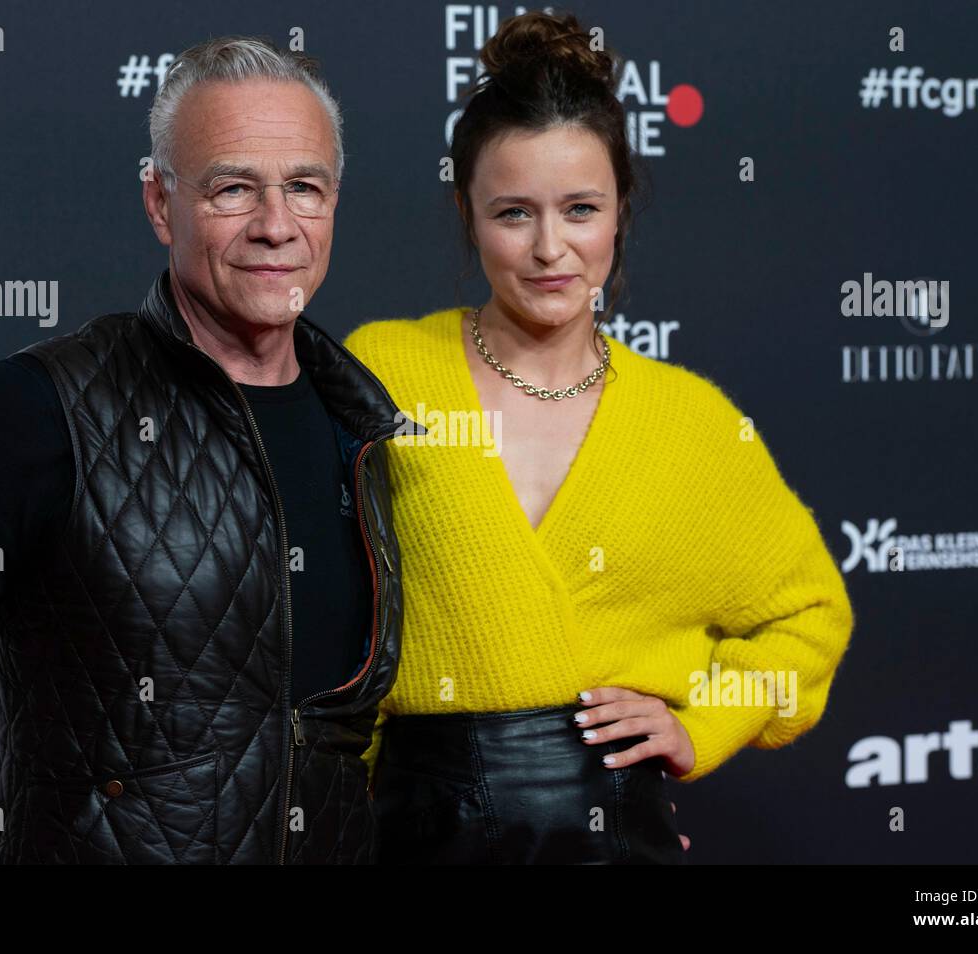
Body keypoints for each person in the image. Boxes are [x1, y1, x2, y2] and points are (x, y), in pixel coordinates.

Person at [0, 36, 407, 864]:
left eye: (304, 187)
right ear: (160, 202)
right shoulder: (44, 407)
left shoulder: (362, 420)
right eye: (234, 189)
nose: (277, 226)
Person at [344, 10, 854, 864]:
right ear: (467, 215)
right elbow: (324, 626)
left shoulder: (690, 418)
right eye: (513, 213)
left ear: (621, 211)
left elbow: (811, 614)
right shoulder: (384, 370)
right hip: (413, 833)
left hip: (615, 833)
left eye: (581, 209)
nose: (551, 250)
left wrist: (705, 723)